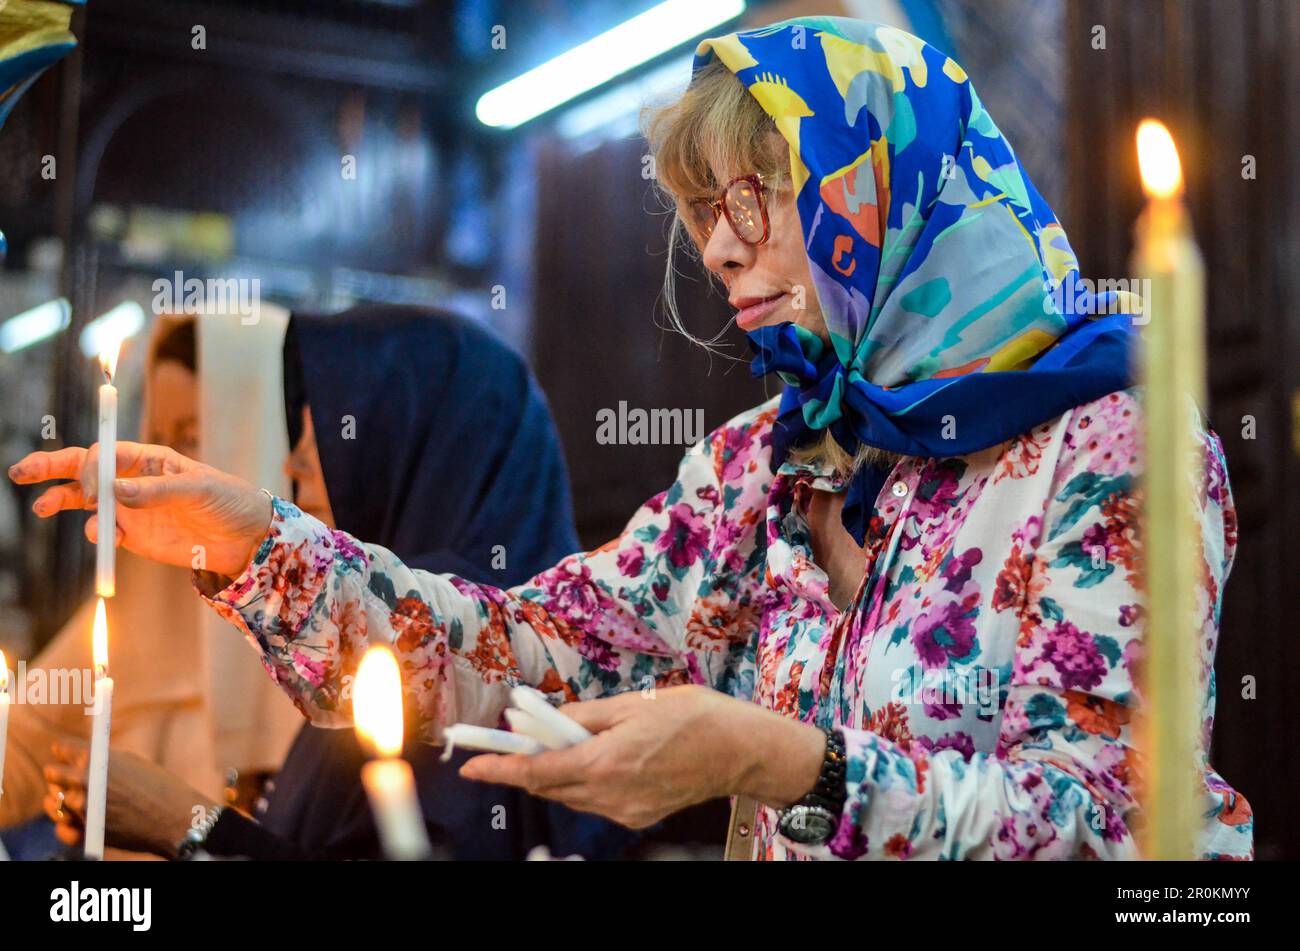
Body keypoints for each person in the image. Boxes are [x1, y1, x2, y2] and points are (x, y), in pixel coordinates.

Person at [11, 18, 1252, 859]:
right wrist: (260, 543)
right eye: (702, 212)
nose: (716, 249)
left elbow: (1121, 830)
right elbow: (521, 653)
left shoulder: (1105, 446)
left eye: (756, 199)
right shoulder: (768, 463)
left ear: (886, 186)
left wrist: (789, 765)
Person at [37, 305, 635, 860]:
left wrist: (185, 821)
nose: (292, 463)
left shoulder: (486, 676)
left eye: (317, 430)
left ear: (401, 437)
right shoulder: (413, 641)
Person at [0, 314, 303, 858]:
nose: (168, 474)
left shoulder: (323, 637)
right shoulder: (140, 595)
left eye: (192, 438)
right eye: (158, 439)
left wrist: (180, 819)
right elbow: (21, 746)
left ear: (261, 439)